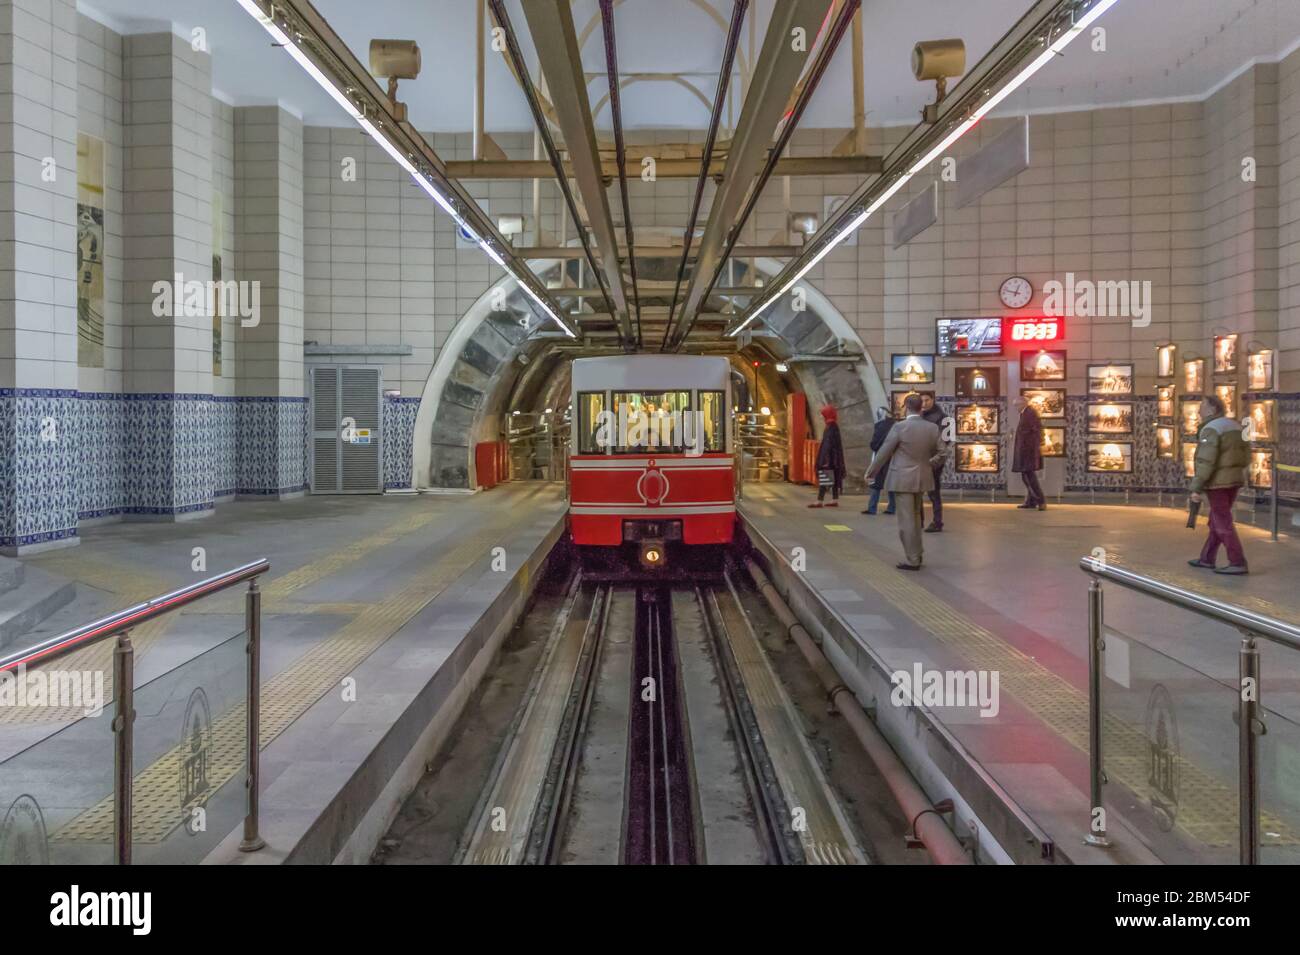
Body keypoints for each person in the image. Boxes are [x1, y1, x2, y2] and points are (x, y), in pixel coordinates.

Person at [866, 393, 945, 570]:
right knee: (917, 518)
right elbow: (943, 452)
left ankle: (912, 559)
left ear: (906, 407)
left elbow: (884, 451)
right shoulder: (932, 428)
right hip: (923, 477)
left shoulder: (899, 427)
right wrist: (929, 464)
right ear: (920, 407)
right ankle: (918, 553)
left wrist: (871, 472)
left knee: (907, 521)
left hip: (902, 479)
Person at [1187, 394, 1249, 574]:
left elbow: (1206, 460)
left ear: (1213, 409)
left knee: (1222, 522)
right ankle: (1207, 558)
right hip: (1234, 480)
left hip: (1218, 483)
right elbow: (1246, 456)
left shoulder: (1211, 429)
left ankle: (1237, 561)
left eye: (1202, 406)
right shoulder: (1235, 426)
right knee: (1217, 519)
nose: (1199, 410)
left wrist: (1196, 486)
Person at [1011, 396, 1046, 511]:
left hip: (1028, 451)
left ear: (1023, 403)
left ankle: (1041, 501)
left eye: (1016, 405)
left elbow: (1034, 432)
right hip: (1027, 450)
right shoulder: (1026, 413)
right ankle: (1031, 501)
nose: (1016, 408)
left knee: (1029, 476)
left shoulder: (1029, 413)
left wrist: (1029, 448)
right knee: (1026, 476)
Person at [809, 404, 846, 508]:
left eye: (823, 414)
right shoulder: (834, 426)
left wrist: (823, 459)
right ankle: (834, 499)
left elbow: (827, 445)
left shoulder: (830, 427)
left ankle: (819, 500)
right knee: (834, 477)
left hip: (828, 459)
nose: (822, 416)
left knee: (824, 478)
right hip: (835, 459)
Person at [920, 394, 948, 532]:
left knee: (933, 491)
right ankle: (919, 520)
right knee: (918, 490)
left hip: (934, 460)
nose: (924, 403)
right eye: (922, 401)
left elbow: (946, 440)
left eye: (927, 400)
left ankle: (937, 522)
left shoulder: (942, 417)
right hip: (921, 458)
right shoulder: (920, 416)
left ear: (933, 400)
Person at [862, 407, 896, 515]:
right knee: (891, 482)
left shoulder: (880, 426)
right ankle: (892, 507)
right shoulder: (897, 426)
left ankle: (872, 508)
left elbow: (874, 444)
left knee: (875, 483)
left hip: (880, 457)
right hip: (893, 457)